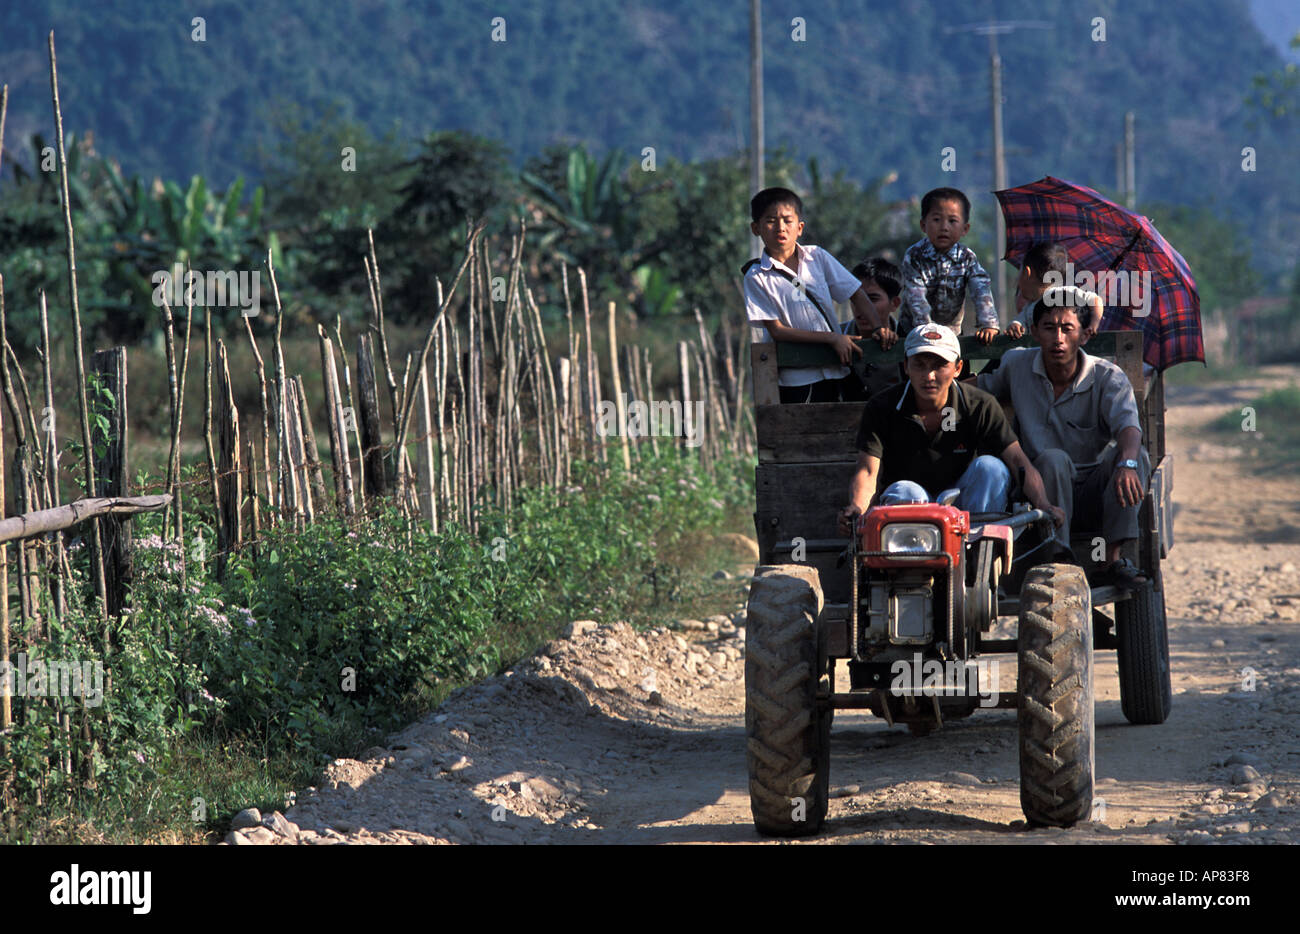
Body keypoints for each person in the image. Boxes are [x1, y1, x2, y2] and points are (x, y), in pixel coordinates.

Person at [976, 293, 1150, 589]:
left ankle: (1111, 560)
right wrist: (935, 384)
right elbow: (980, 389)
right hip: (1039, 495)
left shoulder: (1108, 376)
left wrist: (1128, 463)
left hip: (1094, 491)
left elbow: (1129, 428)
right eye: (1049, 327)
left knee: (1136, 457)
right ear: (1034, 332)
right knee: (1053, 458)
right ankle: (1059, 558)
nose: (1058, 338)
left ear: (1084, 335)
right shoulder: (1016, 364)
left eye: (1067, 329)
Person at [837, 324, 1063, 534]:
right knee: (905, 491)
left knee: (991, 468)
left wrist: (1044, 504)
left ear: (958, 368)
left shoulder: (979, 404)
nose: (929, 376)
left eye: (939, 365)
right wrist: (857, 509)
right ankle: (912, 567)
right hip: (909, 508)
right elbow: (867, 471)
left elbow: (1017, 461)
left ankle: (977, 552)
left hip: (964, 505)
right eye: (920, 365)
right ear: (906, 366)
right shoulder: (882, 406)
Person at [743, 187, 897, 403]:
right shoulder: (757, 276)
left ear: (800, 227)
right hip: (796, 377)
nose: (780, 227)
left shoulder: (817, 257)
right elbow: (777, 331)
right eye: (770, 220)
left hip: (837, 369)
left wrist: (879, 327)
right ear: (755, 228)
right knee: (805, 434)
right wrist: (832, 337)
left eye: (787, 220)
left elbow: (855, 292)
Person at [898, 187, 1000, 344]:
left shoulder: (967, 258)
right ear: (923, 225)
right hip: (914, 332)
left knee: (960, 366)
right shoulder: (914, 256)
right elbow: (916, 297)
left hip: (952, 333)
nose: (944, 227)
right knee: (914, 365)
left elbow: (981, 289)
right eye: (937, 220)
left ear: (965, 229)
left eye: (952, 221)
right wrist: (928, 332)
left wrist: (988, 324)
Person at [1005, 242, 1101, 341]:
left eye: (1019, 273)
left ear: (1027, 272)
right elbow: (1019, 321)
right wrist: (1014, 325)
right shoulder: (1029, 307)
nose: (1017, 280)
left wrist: (1094, 324)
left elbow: (1095, 299)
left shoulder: (1064, 293)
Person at [840, 257, 904, 401]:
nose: (863, 307)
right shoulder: (836, 335)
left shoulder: (907, 338)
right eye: (857, 299)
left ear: (894, 303)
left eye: (873, 299)